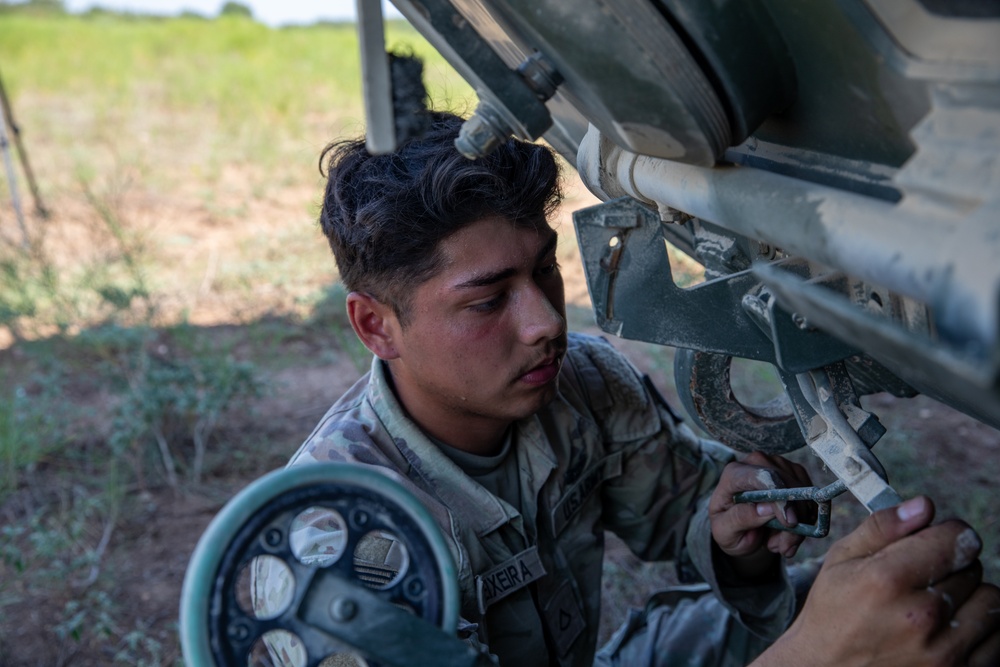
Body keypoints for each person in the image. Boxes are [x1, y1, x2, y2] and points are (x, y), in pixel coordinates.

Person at [277, 111, 1000, 666]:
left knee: (916, 615)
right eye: (488, 300)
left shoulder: (580, 382)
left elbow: (682, 513)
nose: (544, 323)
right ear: (376, 326)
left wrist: (732, 529)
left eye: (544, 271)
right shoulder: (341, 542)